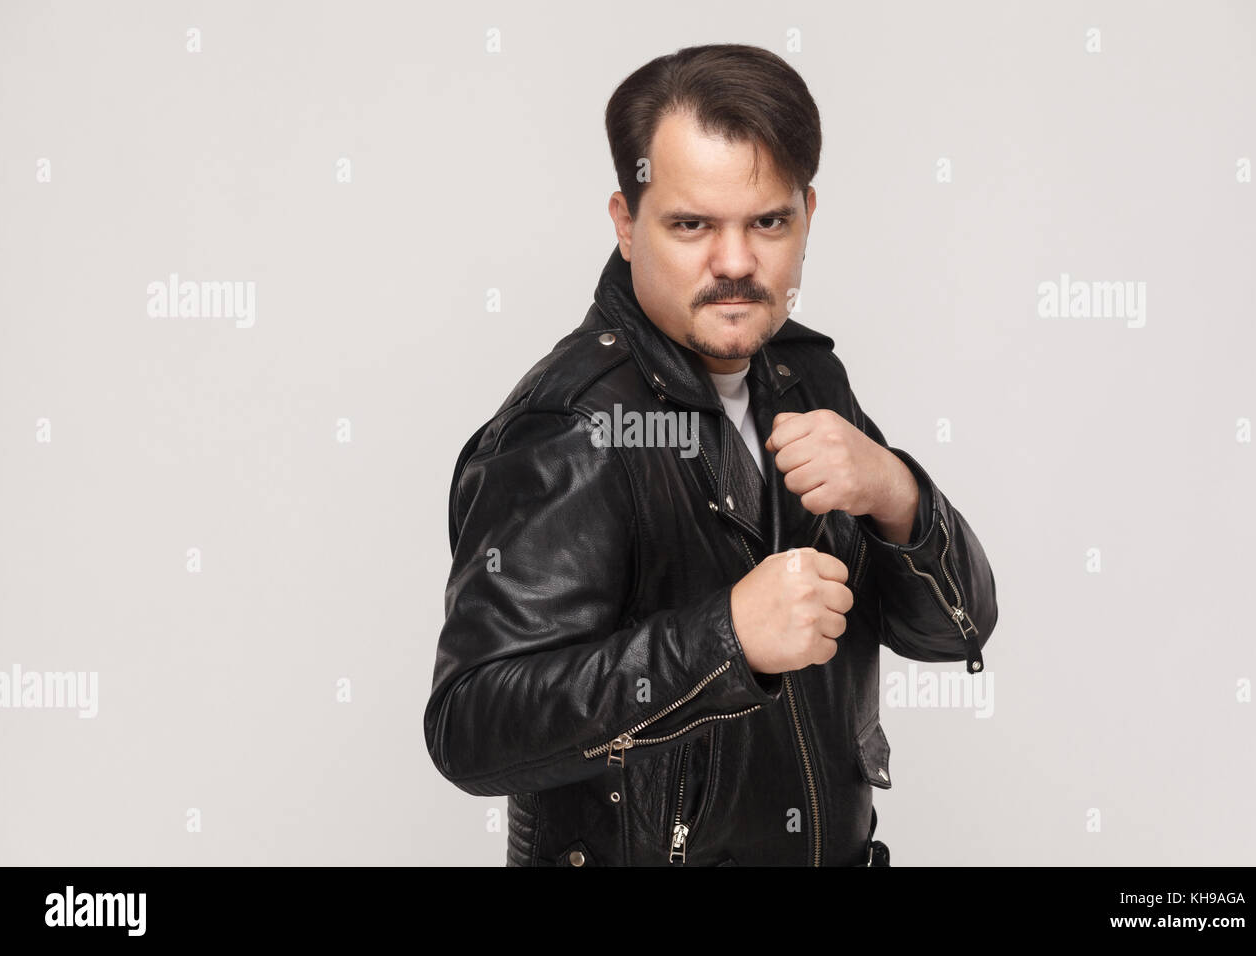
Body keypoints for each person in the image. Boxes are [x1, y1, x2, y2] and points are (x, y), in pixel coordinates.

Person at [423, 43, 998, 866]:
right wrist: (725, 640)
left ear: (807, 212)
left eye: (767, 222)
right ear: (627, 223)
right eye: (691, 225)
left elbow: (960, 629)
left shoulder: (807, 377)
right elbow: (471, 726)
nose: (735, 264)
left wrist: (896, 492)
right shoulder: (573, 424)